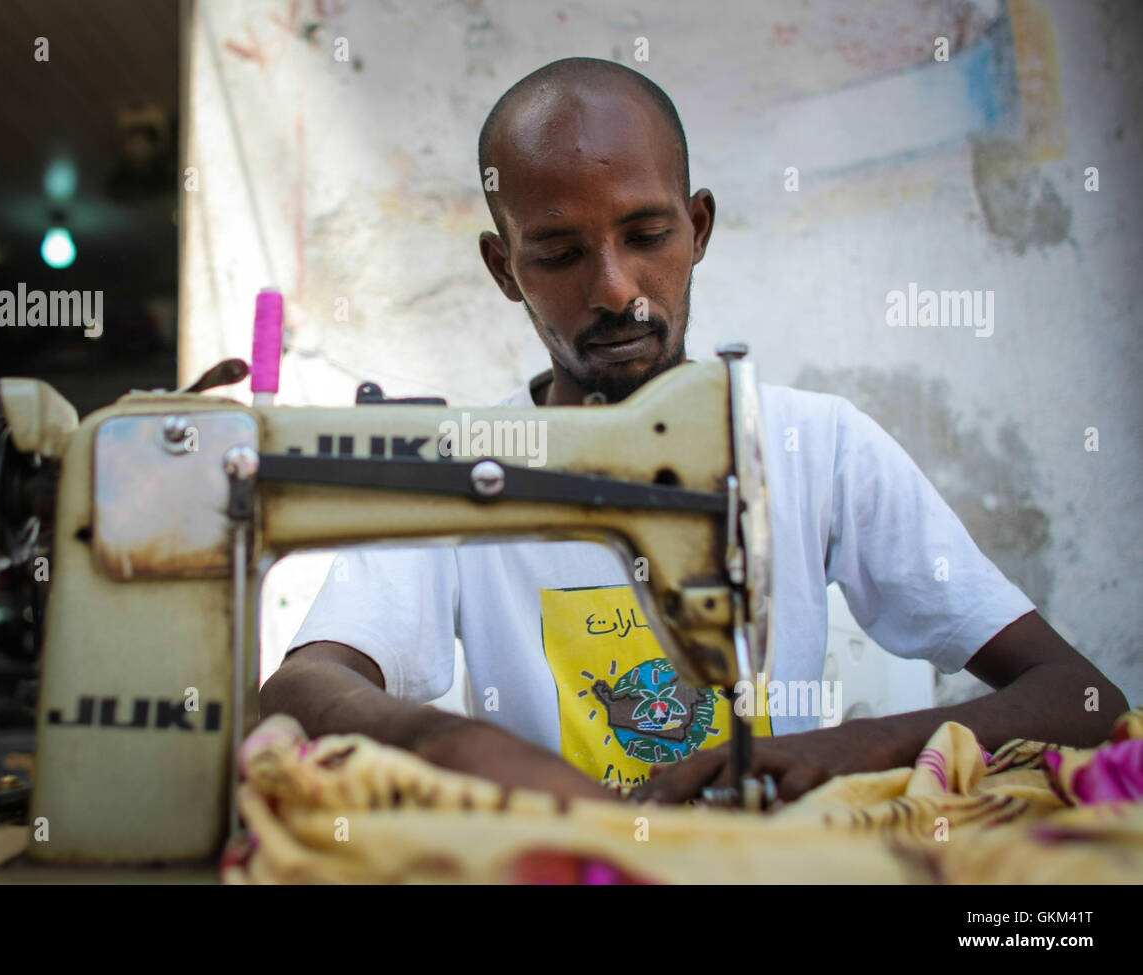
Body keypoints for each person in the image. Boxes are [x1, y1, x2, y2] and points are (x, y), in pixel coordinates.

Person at [259, 57, 1127, 806]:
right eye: (559, 254)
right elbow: (300, 689)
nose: (615, 288)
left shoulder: (815, 447)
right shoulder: (468, 468)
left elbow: (1084, 698)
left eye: (646, 235)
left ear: (698, 226)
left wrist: (848, 749)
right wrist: (455, 746)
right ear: (504, 269)